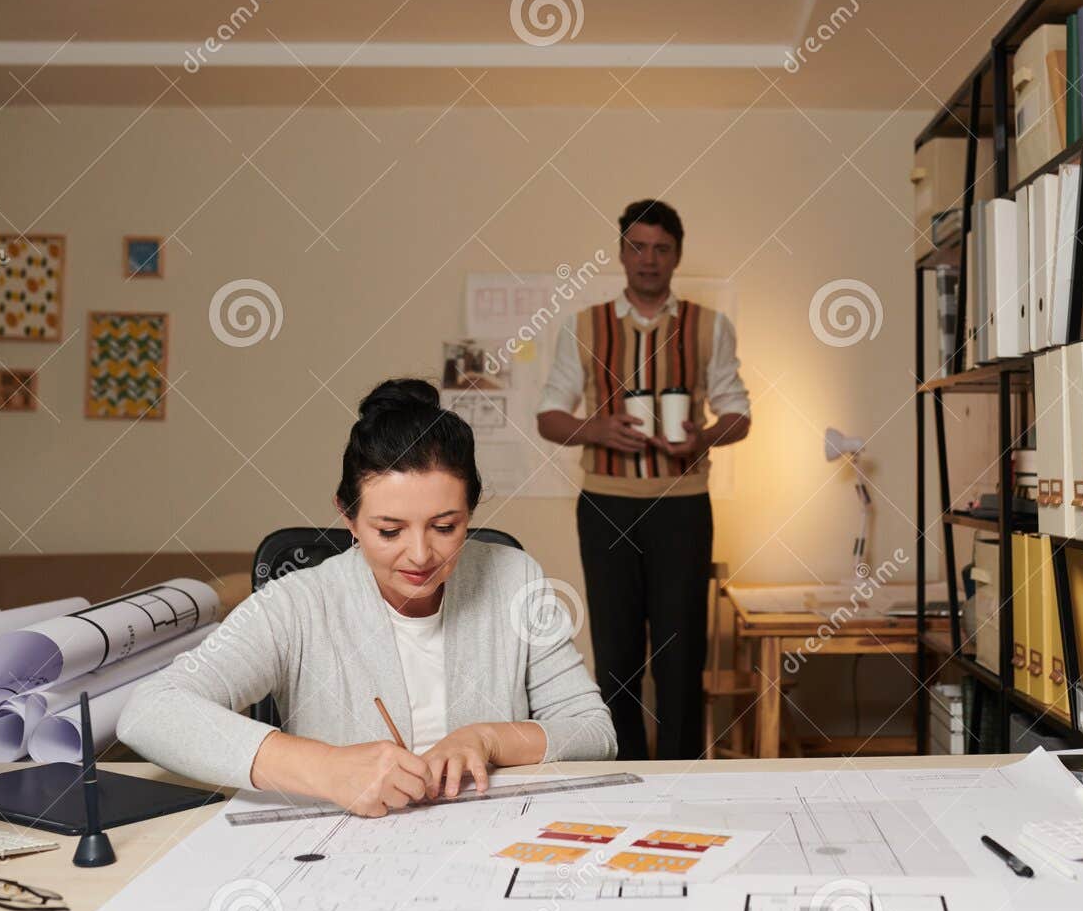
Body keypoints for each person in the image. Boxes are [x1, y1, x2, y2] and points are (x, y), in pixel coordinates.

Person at [118, 378, 616, 816]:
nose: (420, 555)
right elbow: (150, 712)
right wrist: (327, 769)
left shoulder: (515, 579)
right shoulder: (297, 605)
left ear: (471, 510)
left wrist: (487, 739)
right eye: (389, 530)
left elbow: (595, 732)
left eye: (446, 526)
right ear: (348, 516)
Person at [536, 199, 751, 760]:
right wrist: (599, 429)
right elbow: (549, 416)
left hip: (683, 507)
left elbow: (738, 413)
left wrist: (701, 437)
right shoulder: (584, 325)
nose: (648, 259)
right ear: (621, 253)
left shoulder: (710, 325)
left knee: (682, 651)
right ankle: (627, 772)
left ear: (677, 256)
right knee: (616, 651)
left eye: (661, 248)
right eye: (638, 246)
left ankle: (683, 773)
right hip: (607, 505)